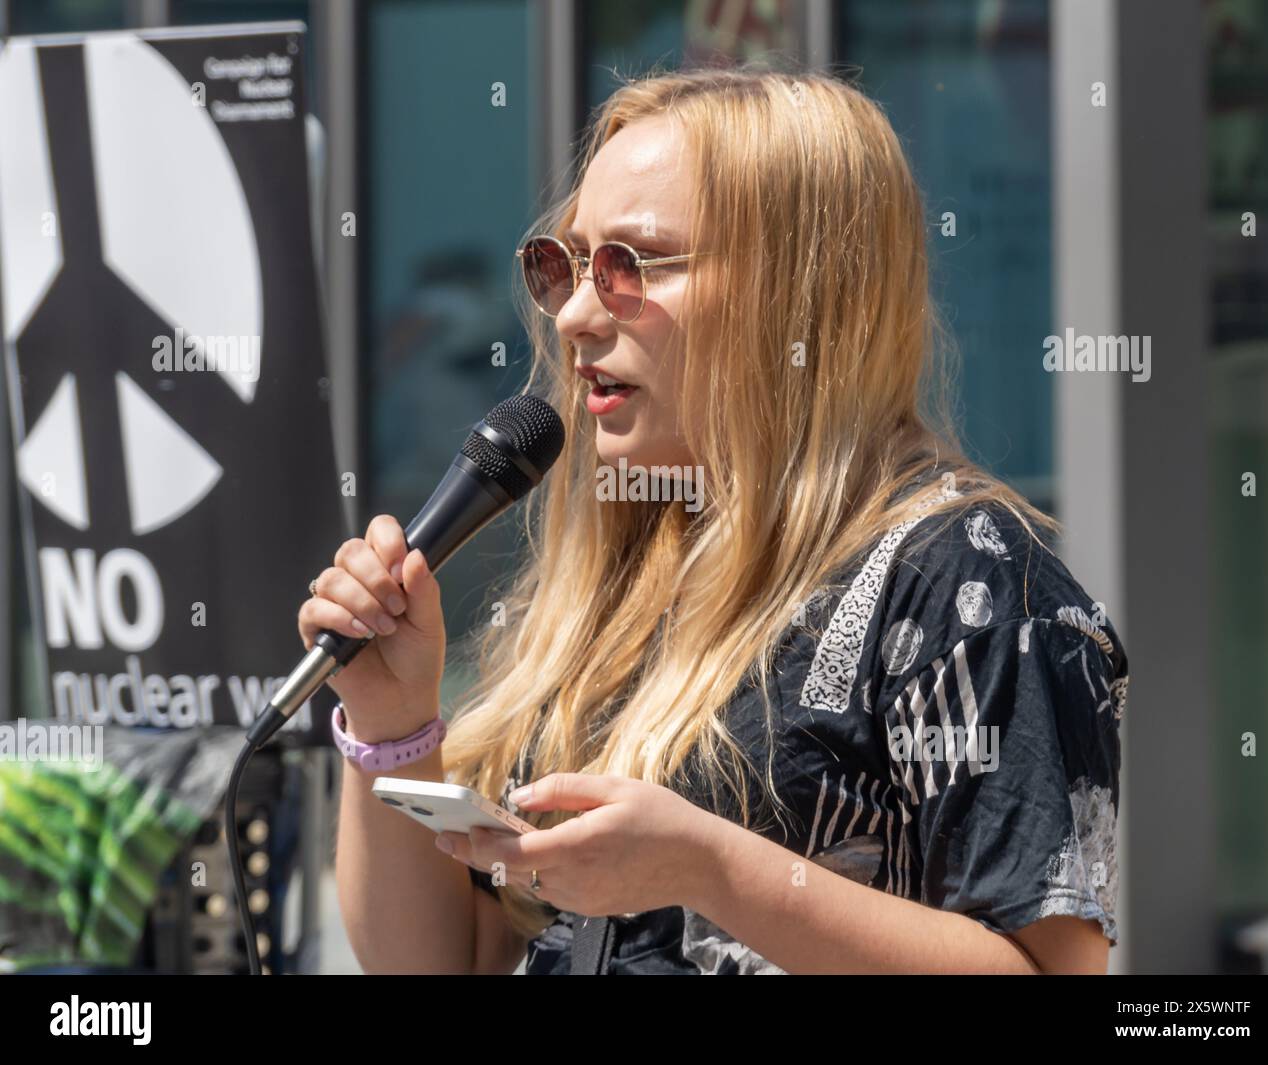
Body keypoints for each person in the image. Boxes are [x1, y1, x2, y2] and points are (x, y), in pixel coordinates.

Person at [300, 65, 1127, 975]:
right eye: (565, 265)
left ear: (800, 291)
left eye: (632, 264)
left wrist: (711, 867)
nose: (574, 315)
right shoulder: (625, 567)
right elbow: (451, 961)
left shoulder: (963, 575)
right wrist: (391, 725)